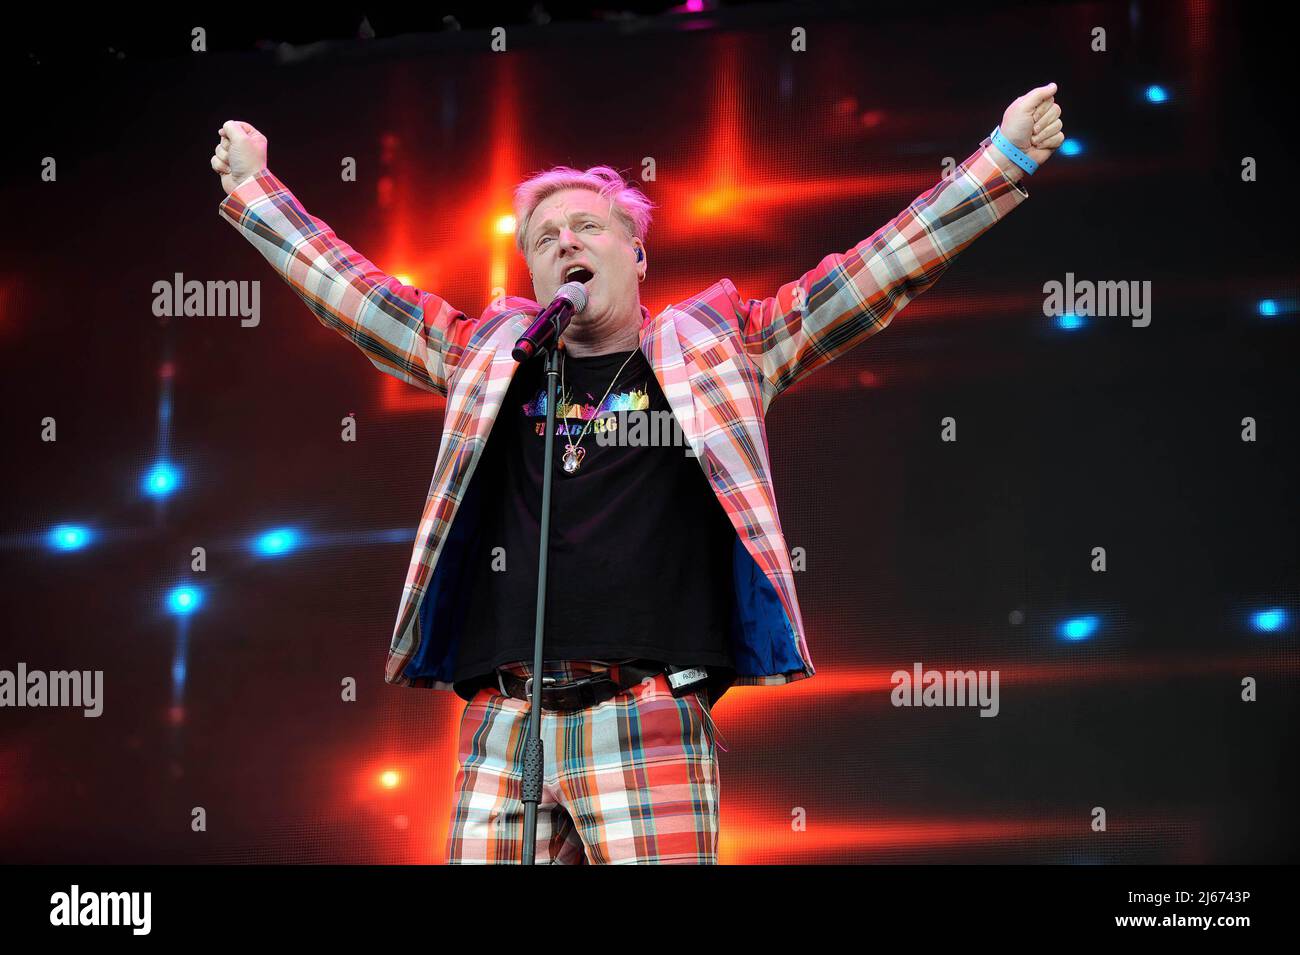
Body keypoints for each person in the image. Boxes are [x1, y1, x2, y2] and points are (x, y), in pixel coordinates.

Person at [212, 83, 1063, 864]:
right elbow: (355, 293)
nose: (565, 243)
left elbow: (871, 274)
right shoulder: (490, 356)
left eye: (587, 228)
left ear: (637, 253)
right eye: (544, 239)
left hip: (645, 714)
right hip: (503, 720)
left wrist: (1003, 159)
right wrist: (255, 188)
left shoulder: (721, 348)